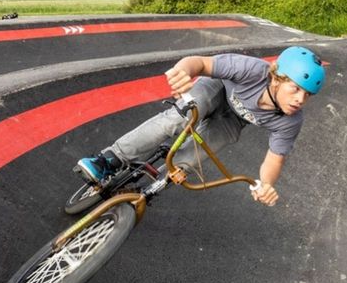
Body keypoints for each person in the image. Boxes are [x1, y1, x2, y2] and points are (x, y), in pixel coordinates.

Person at [74, 46, 325, 206]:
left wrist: (266, 185)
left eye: (307, 95)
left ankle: (144, 189)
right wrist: (182, 72)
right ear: (276, 78)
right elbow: (200, 63)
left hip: (234, 120)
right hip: (216, 89)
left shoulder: (291, 120)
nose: (300, 100)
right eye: (295, 89)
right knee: (178, 118)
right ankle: (109, 159)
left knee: (192, 159)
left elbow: (275, 159)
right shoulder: (251, 70)